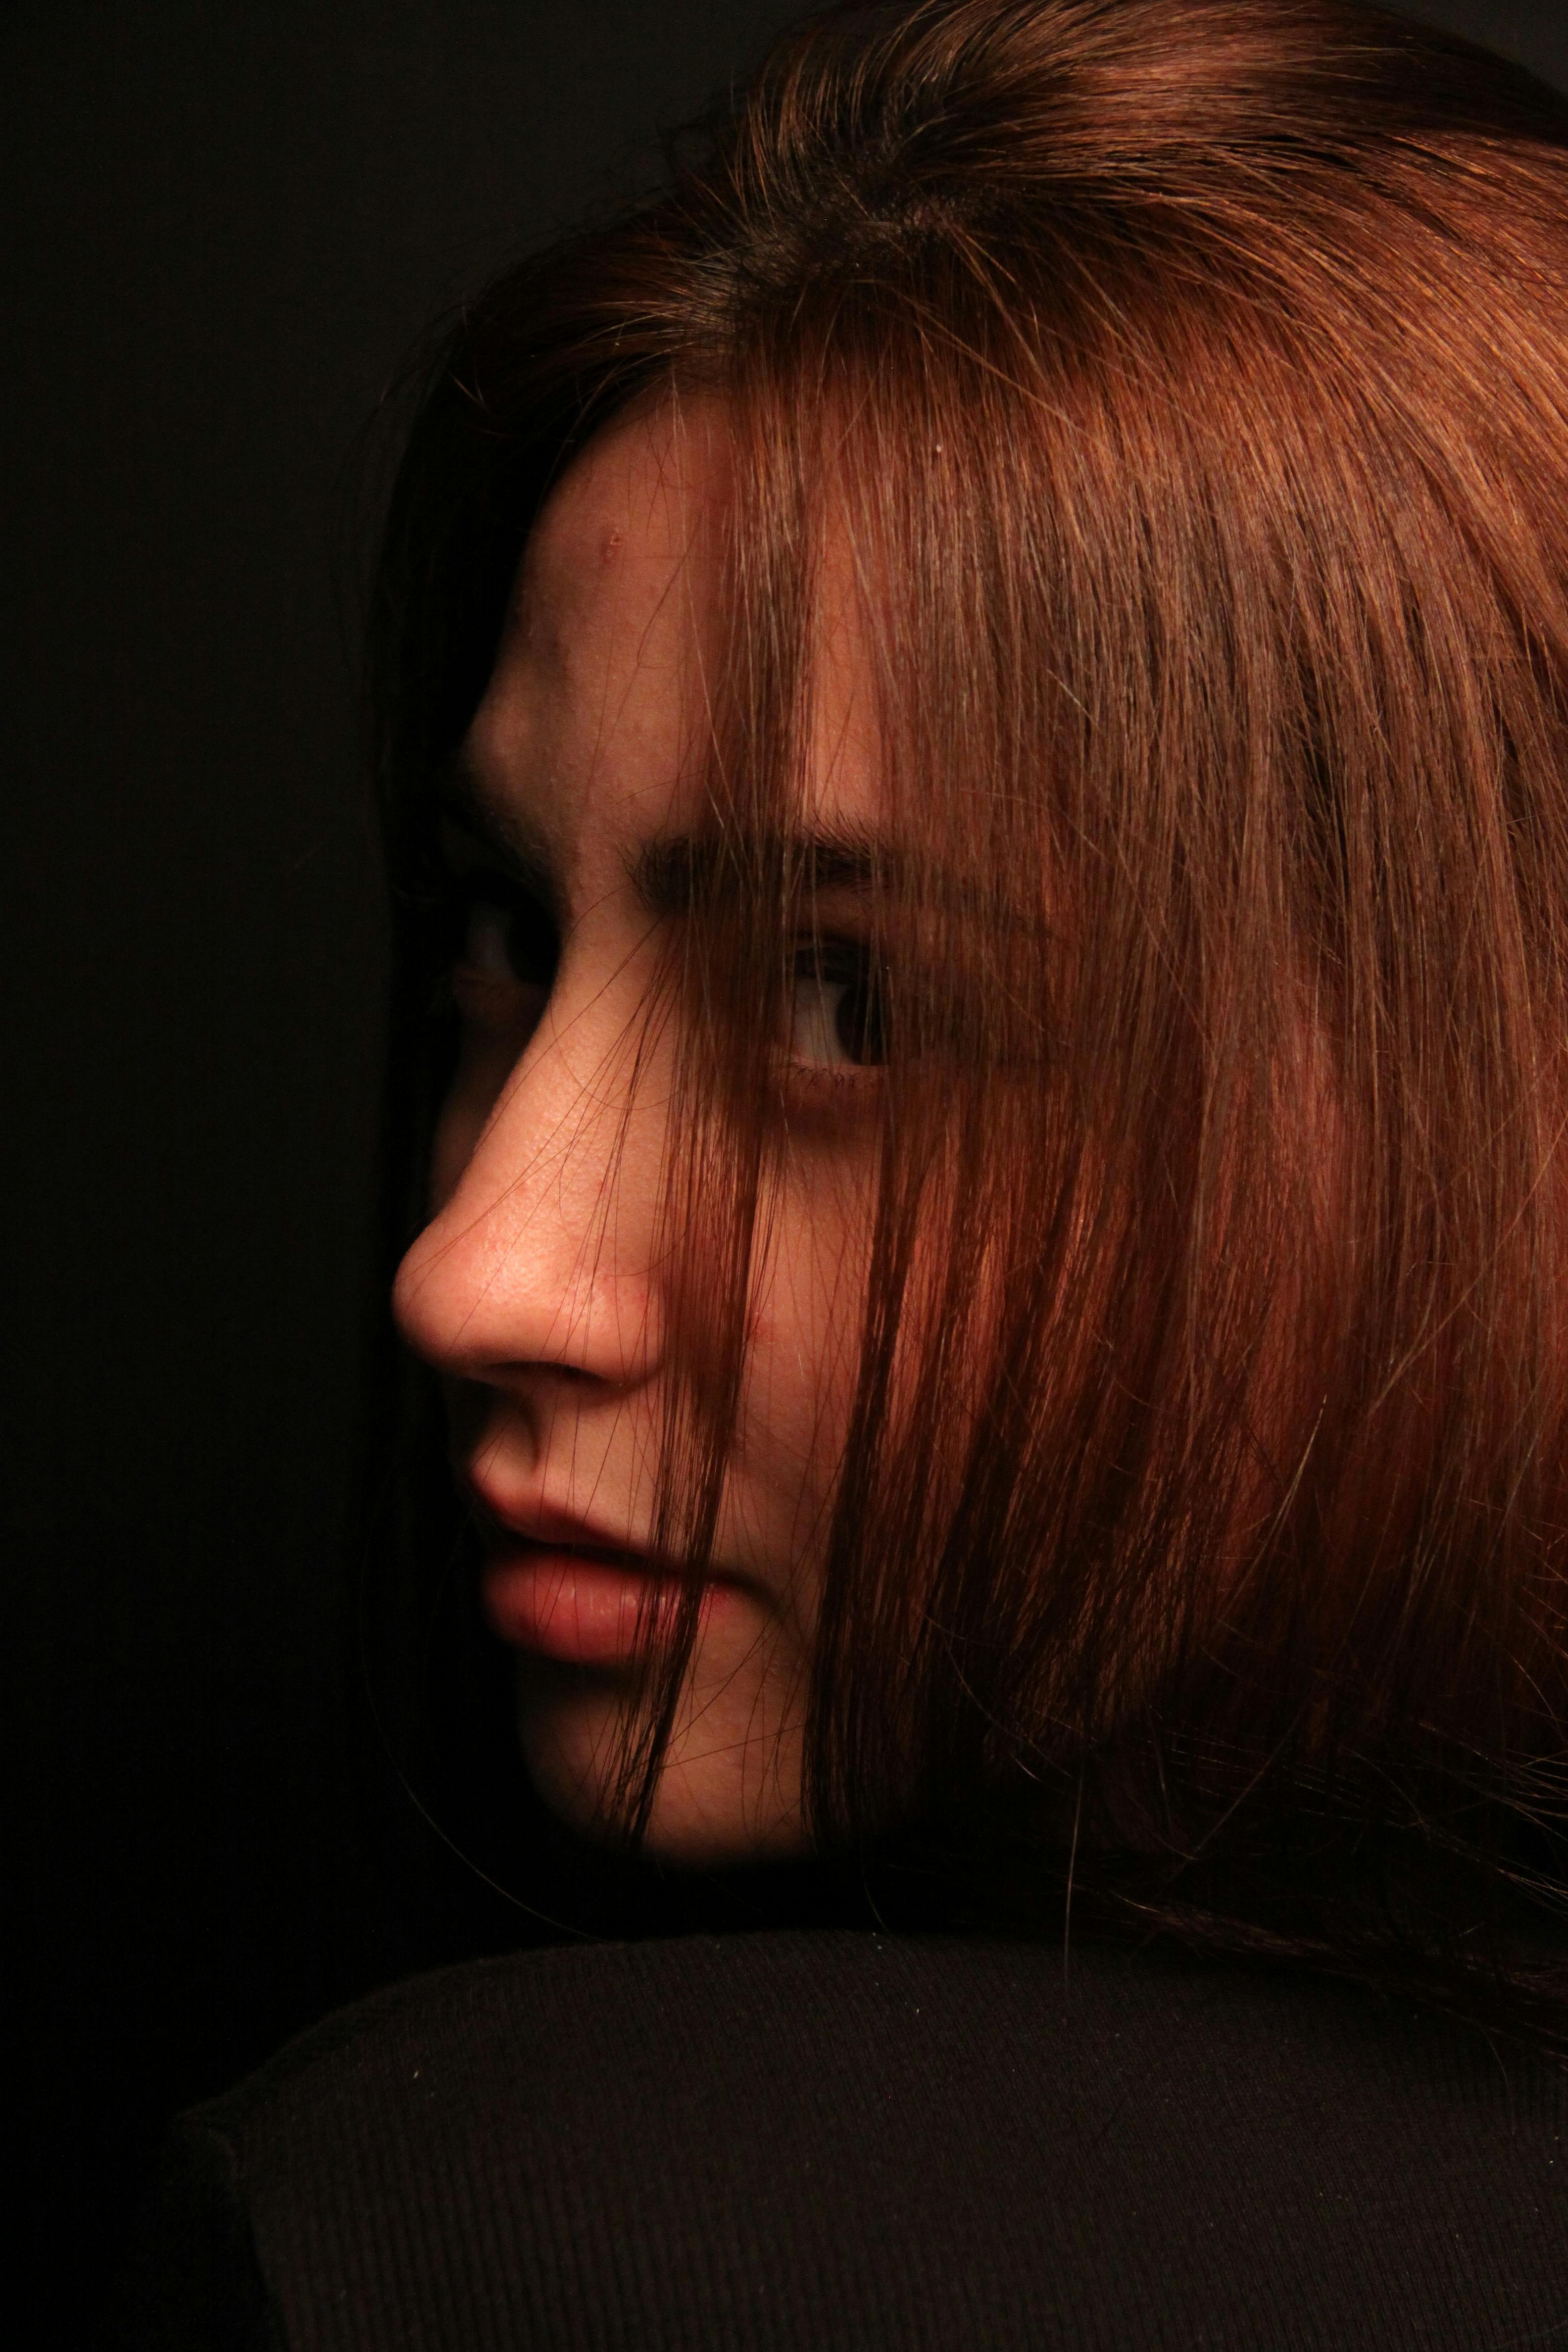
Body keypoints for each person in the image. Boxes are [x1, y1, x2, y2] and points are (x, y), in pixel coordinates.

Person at [118, 2, 1568, 2342]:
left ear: (1496, 1109)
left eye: (847, 1002)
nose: (475, 1268)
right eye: (508, 934)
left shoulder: (498, 2235)